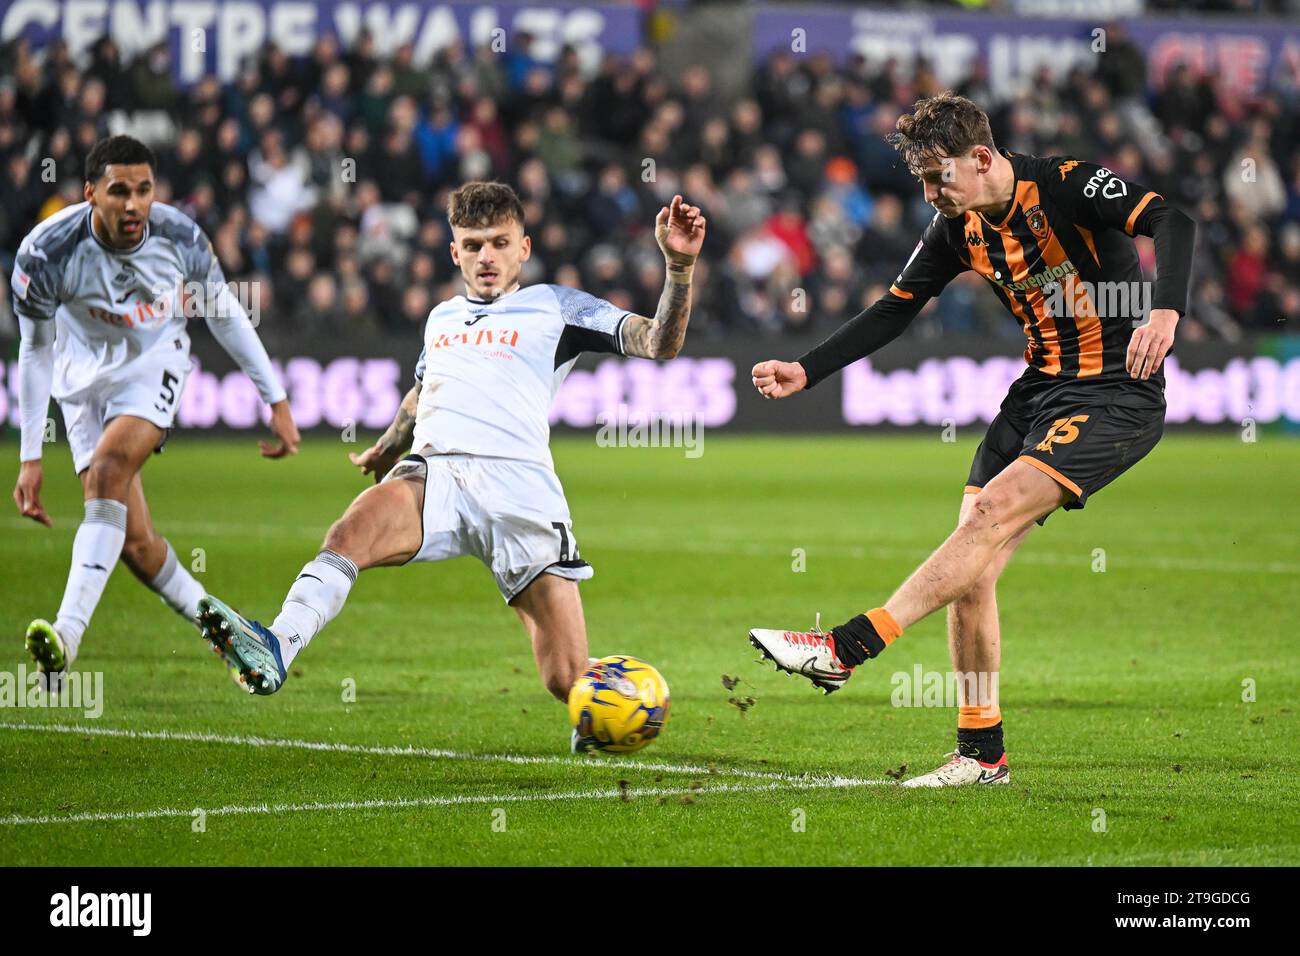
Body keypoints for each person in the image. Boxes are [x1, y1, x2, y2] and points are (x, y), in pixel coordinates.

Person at [747, 93, 1195, 787]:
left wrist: (1165, 309)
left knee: (986, 519)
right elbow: (895, 310)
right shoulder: (956, 227)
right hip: (1036, 393)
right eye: (922, 181)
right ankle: (981, 754)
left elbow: (1171, 218)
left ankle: (844, 647)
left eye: (938, 177)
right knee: (972, 567)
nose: (930, 194)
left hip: (1115, 393)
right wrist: (808, 369)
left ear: (982, 158)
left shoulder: (1067, 184)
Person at [195, 182, 706, 752]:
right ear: (454, 252)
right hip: (435, 475)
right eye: (472, 244)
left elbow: (658, 343)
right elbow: (423, 389)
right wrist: (389, 445)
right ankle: (277, 646)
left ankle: (608, 713)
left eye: (499, 242)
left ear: (524, 248)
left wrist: (679, 268)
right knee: (349, 533)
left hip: (521, 495)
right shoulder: (441, 318)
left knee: (566, 679)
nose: (486, 256)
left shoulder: (556, 307)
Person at [12, 135, 299, 678]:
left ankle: (66, 638)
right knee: (136, 544)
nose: (134, 204)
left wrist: (275, 397)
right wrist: (31, 456)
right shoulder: (46, 253)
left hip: (153, 366)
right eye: (119, 191)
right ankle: (223, 626)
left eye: (144, 190)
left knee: (108, 471)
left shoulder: (179, 237)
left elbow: (225, 315)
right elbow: (35, 348)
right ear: (91, 193)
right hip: (81, 387)